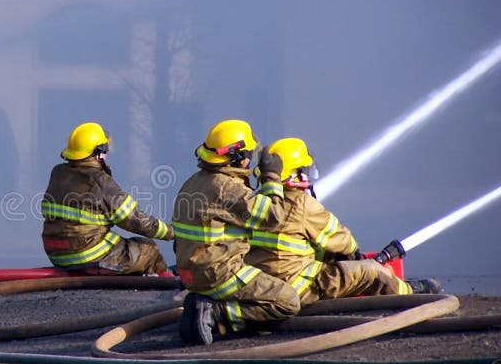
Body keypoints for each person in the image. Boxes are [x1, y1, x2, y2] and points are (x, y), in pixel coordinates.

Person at [245, 137, 442, 303]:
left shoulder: (257, 201)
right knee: (370, 271)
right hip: (297, 286)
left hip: (265, 285)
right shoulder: (302, 204)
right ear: (295, 173)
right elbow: (343, 241)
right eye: (303, 168)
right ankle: (408, 292)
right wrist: (356, 258)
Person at [172, 119, 300, 345]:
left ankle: (204, 306)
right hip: (218, 273)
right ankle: (216, 314)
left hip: (192, 273)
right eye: (249, 152)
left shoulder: (193, 182)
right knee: (288, 300)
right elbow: (274, 217)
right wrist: (271, 177)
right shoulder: (227, 188)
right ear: (237, 156)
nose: (250, 159)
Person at [41, 122, 174, 274]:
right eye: (105, 151)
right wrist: (170, 232)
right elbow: (134, 219)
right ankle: (164, 285)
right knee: (149, 249)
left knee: (121, 244)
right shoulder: (100, 181)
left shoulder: (58, 173)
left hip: (56, 253)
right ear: (97, 154)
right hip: (87, 254)